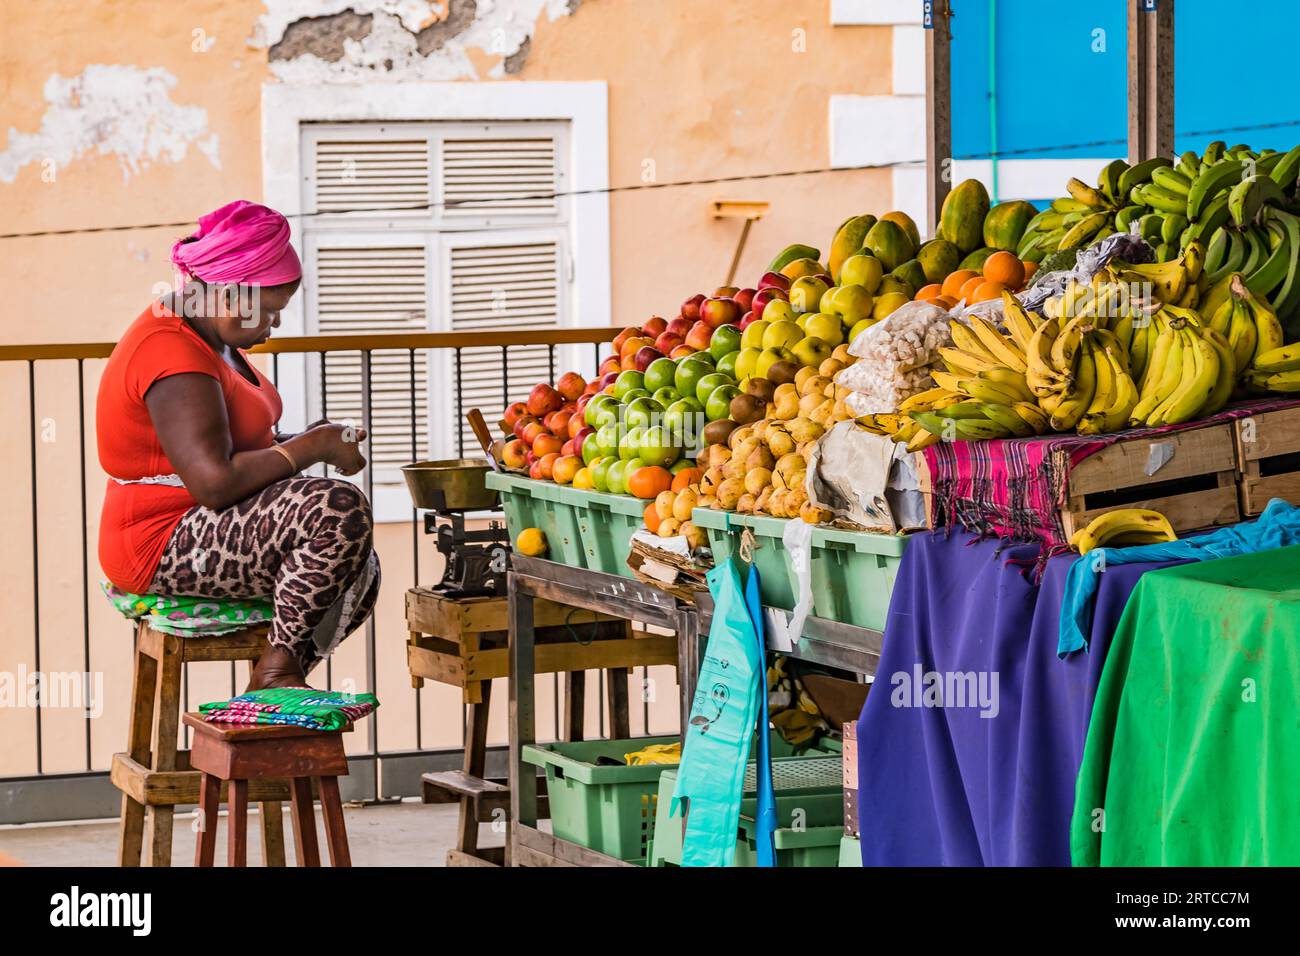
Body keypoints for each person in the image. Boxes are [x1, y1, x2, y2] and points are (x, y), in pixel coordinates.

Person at [96, 200, 380, 690]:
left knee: (361, 564)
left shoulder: (212, 339)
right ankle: (276, 674)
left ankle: (269, 689)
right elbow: (213, 482)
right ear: (232, 295)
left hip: (203, 526)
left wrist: (316, 437)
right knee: (337, 511)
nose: (275, 325)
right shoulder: (170, 352)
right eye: (270, 311)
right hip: (159, 538)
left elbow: (240, 445)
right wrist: (312, 447)